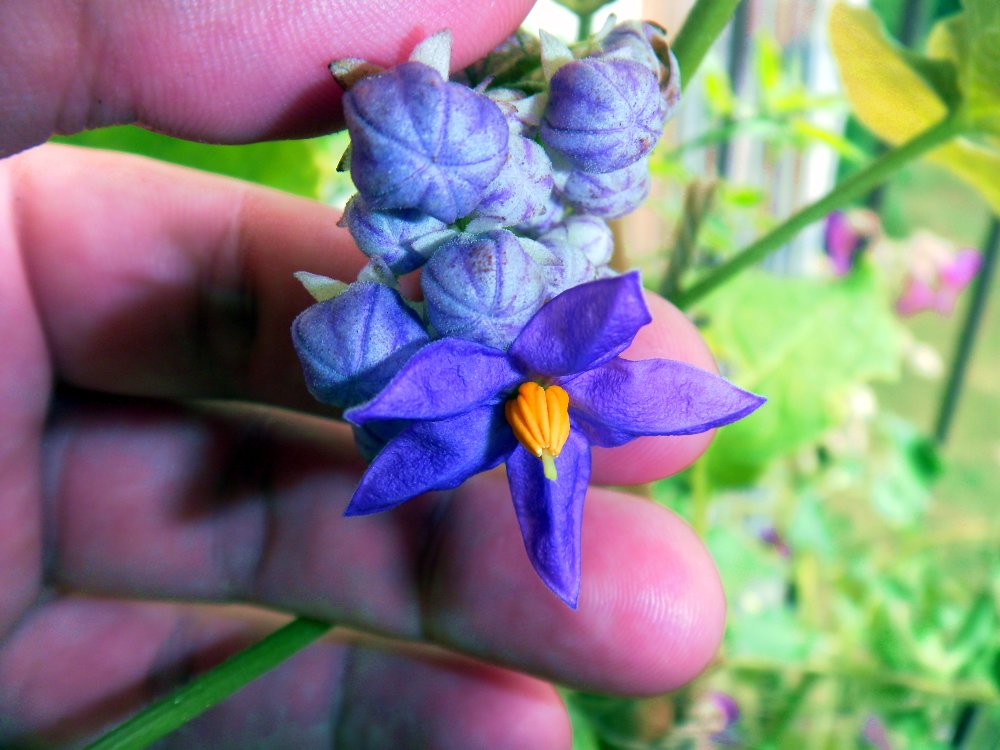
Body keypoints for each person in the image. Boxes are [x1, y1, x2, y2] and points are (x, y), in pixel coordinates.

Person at [0, 2, 727, 746]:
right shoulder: (523, 360)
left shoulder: (508, 394)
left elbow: (461, 405)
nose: (543, 436)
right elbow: (572, 327)